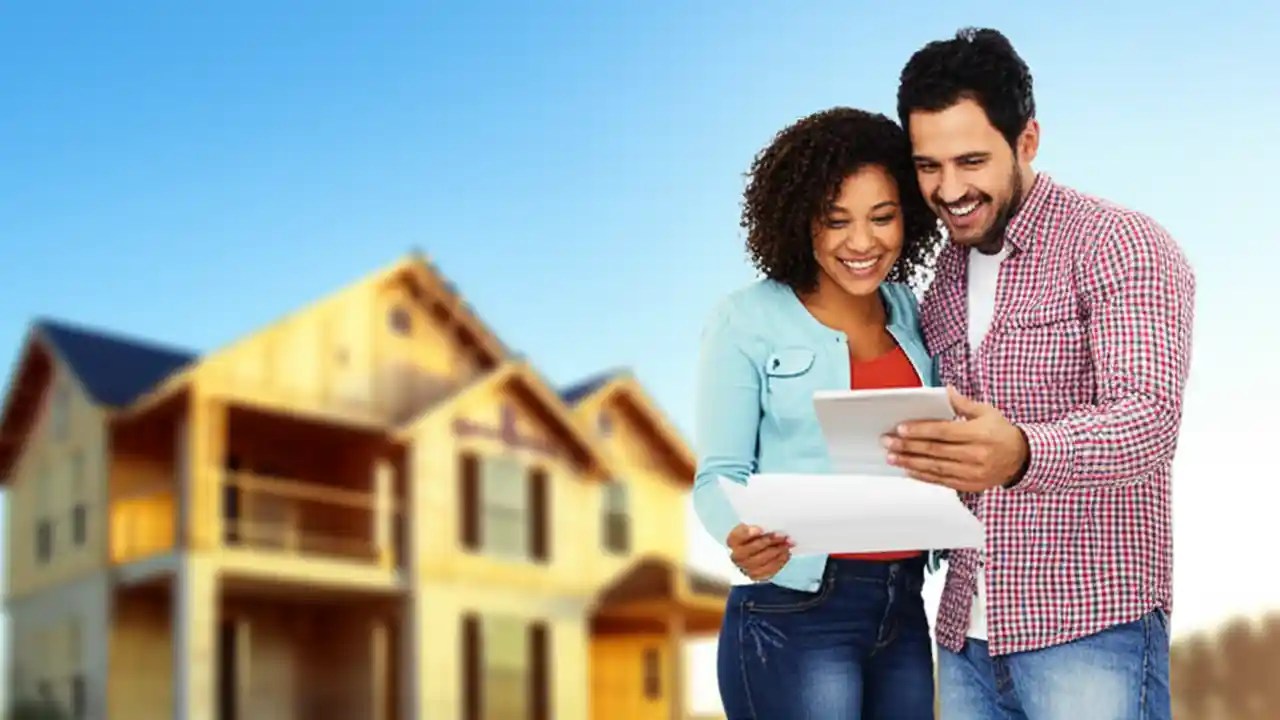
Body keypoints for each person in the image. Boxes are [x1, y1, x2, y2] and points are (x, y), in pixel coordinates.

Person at [882, 28, 1196, 720]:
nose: (950, 190)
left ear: (1027, 141)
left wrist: (1021, 453)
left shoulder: (1118, 244)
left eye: (971, 160)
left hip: (1089, 631)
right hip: (965, 637)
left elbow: (1148, 419)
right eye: (928, 166)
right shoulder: (946, 275)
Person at [691, 106, 944, 720]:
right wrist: (739, 533)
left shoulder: (906, 309)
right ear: (800, 220)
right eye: (837, 222)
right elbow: (717, 474)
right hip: (795, 609)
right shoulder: (746, 318)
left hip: (904, 606)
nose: (863, 243)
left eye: (882, 218)